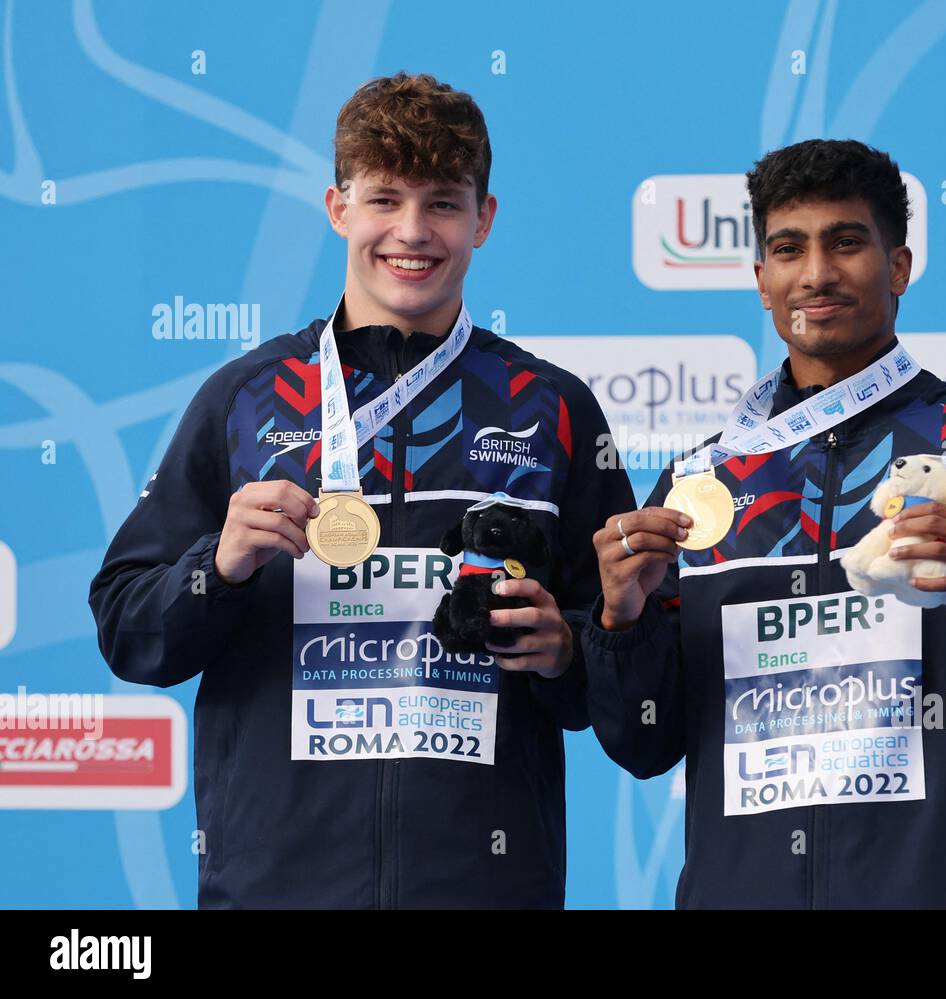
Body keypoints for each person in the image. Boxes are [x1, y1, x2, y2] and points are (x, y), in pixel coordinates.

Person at [582, 138, 946, 908]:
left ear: (898, 267)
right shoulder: (702, 479)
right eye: (789, 248)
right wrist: (621, 622)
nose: (818, 272)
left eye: (847, 242)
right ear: (762, 281)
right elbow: (643, 742)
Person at [89, 71, 633, 908]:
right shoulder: (246, 400)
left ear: (484, 218)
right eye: (384, 200)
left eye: (443, 203)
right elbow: (129, 629)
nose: (412, 232)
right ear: (338, 208)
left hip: (485, 887)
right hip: (277, 886)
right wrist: (218, 565)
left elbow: (628, 677)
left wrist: (566, 652)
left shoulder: (552, 408)